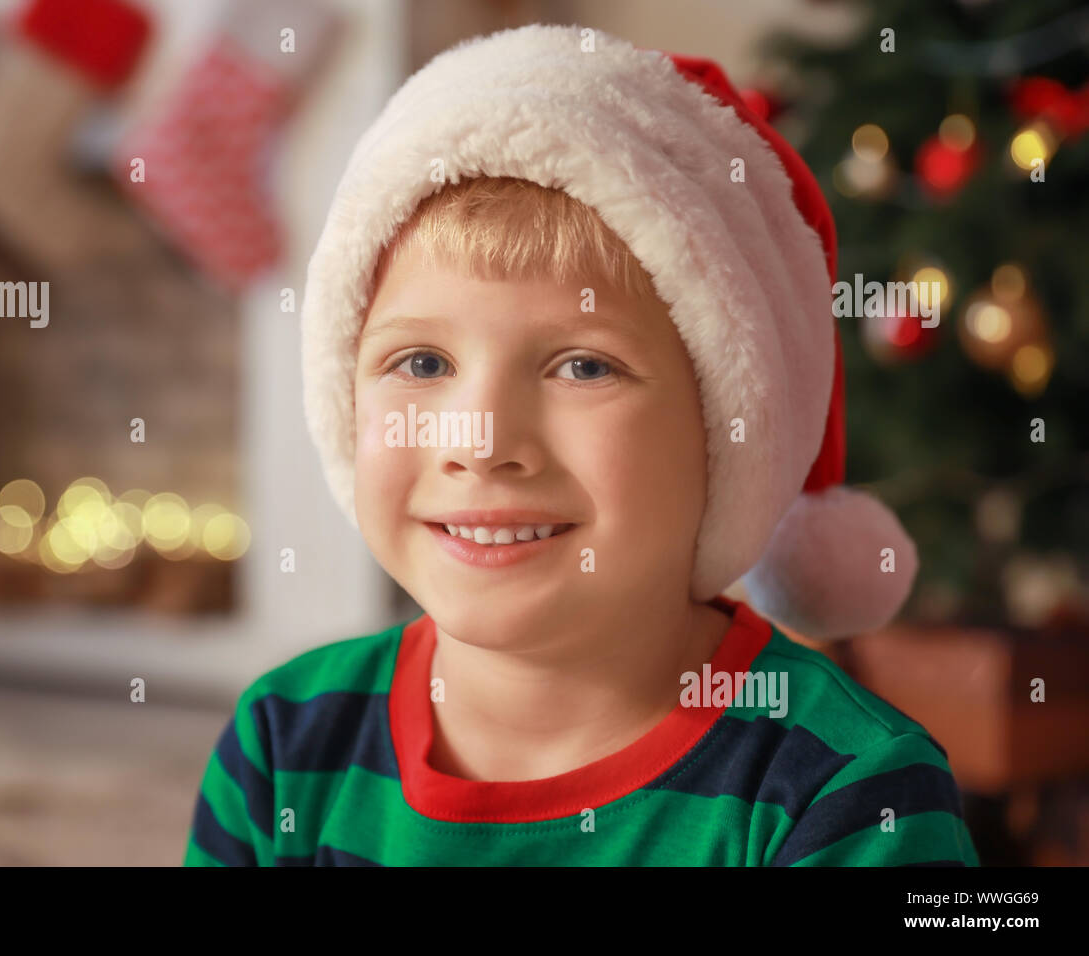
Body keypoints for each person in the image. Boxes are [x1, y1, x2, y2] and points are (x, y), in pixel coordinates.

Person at [184, 23, 978, 866]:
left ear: (726, 434)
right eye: (422, 361)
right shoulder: (282, 747)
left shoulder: (849, 795)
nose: (481, 443)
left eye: (583, 366)